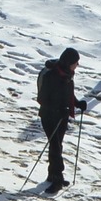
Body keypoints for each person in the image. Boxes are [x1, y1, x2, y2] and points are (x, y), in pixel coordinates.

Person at [36, 47, 88, 193]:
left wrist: (78, 103)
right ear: (68, 62)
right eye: (75, 62)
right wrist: (59, 109)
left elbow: (68, 94)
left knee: (57, 146)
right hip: (49, 116)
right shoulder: (51, 76)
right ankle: (57, 179)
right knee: (55, 147)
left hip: (61, 117)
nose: (77, 65)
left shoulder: (67, 74)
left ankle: (53, 175)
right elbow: (43, 99)